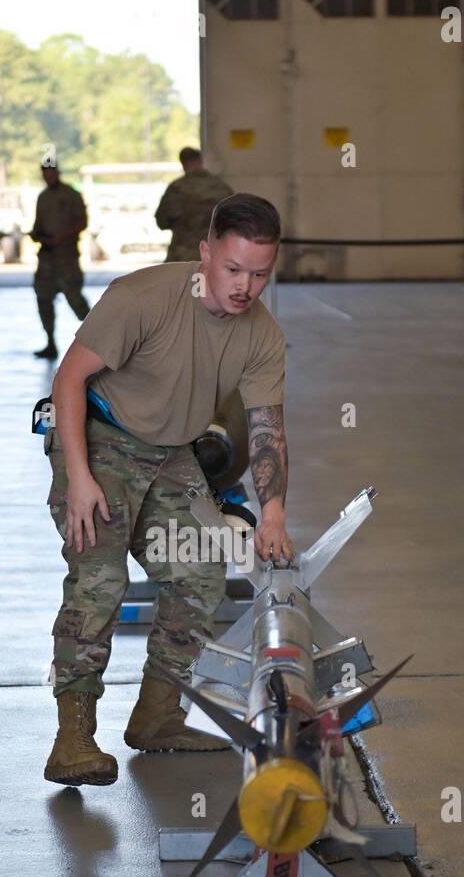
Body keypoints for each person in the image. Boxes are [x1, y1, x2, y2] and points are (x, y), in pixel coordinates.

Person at [43, 192, 292, 787]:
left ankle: (157, 716)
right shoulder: (143, 297)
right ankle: (72, 737)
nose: (244, 287)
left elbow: (266, 429)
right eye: (232, 269)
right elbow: (68, 379)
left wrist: (274, 512)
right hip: (99, 434)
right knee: (99, 576)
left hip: (172, 452)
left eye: (260, 274)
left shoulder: (261, 334)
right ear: (205, 254)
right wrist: (79, 478)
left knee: (201, 572)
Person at [30, 157, 90, 360]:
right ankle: (50, 342)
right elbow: (38, 224)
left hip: (67, 259)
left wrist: (61, 238)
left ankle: (97, 343)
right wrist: (38, 235)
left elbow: (82, 221)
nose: (48, 176)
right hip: (47, 259)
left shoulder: (71, 195)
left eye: (51, 172)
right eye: (44, 173)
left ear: (57, 172)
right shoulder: (43, 197)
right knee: (43, 300)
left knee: (76, 302)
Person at [155, 147, 233, 263]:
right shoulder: (221, 187)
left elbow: (162, 222)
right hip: (215, 255)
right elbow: (235, 221)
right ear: (200, 161)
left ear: (183, 163)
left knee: (179, 281)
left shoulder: (176, 188)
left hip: (182, 257)